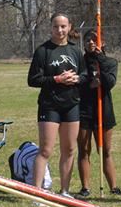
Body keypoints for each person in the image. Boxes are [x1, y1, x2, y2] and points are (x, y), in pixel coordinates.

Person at [27, 13, 83, 197]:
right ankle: (37, 193)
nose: (59, 30)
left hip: (71, 105)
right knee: (45, 150)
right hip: (49, 105)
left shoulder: (75, 51)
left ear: (69, 27)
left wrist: (77, 79)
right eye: (56, 26)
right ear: (50, 28)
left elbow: (84, 75)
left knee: (69, 149)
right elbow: (33, 79)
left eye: (63, 26)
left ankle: (65, 191)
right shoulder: (43, 51)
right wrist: (57, 79)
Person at [75, 30, 121, 198]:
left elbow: (110, 82)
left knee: (105, 150)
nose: (91, 42)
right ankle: (85, 188)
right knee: (83, 149)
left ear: (102, 43)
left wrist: (99, 60)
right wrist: (90, 84)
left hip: (104, 110)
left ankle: (113, 187)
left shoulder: (110, 62)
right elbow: (76, 84)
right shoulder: (79, 62)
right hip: (84, 110)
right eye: (88, 39)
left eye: (95, 40)